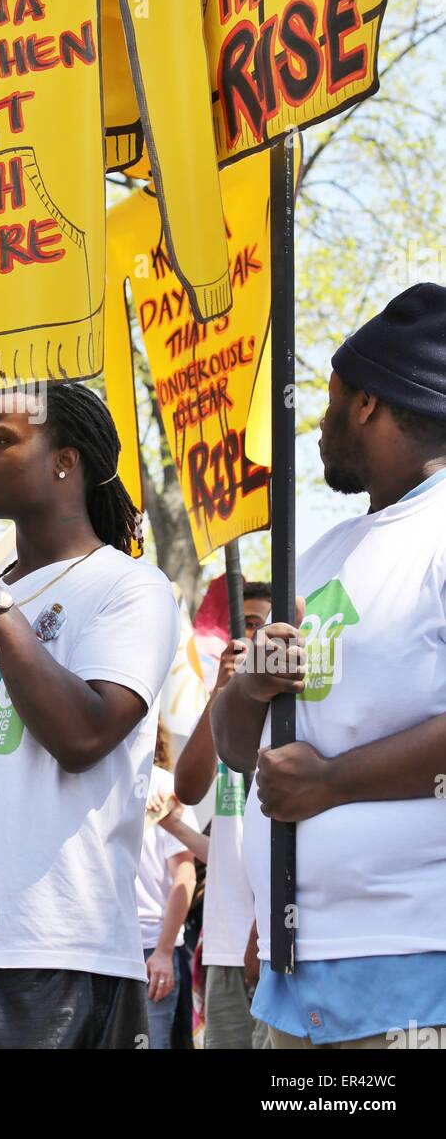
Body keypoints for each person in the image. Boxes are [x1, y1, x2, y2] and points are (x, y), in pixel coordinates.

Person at [0, 381, 181, 1049]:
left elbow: (84, 735)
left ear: (63, 462)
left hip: (58, 958)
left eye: (2, 440)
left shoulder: (130, 586)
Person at [213, 283, 446, 1050]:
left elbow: (311, 777)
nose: (317, 422)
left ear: (370, 404)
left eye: (332, 397)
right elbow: (237, 751)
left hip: (415, 971)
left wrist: (333, 782)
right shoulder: (315, 556)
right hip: (296, 974)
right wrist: (253, 687)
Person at [173, 580, 273, 1050]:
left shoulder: (299, 710)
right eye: (245, 625)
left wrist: (265, 926)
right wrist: (221, 693)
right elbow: (188, 788)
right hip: (225, 946)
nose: (253, 637)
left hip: (281, 947)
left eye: (264, 625)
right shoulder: (225, 712)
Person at [135, 721, 198, 1050]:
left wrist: (162, 951)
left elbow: (185, 874)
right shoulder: (90, 782)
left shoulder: (163, 786)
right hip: (101, 947)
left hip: (150, 949)